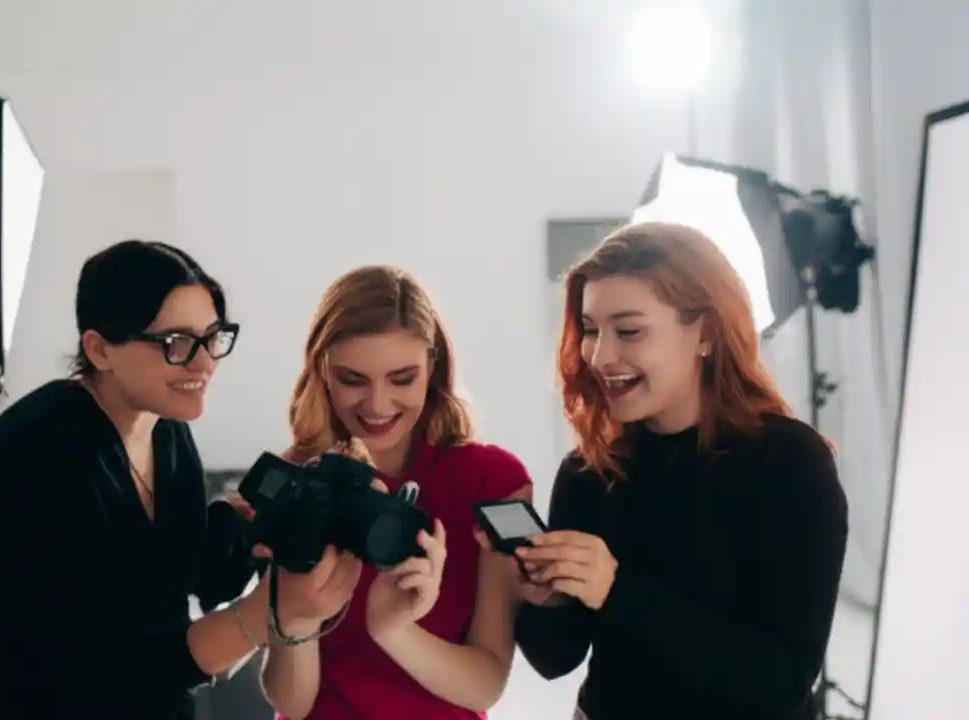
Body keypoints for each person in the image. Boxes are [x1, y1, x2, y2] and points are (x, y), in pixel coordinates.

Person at [0, 240, 361, 718]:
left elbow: (175, 576)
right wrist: (257, 619)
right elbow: (95, 672)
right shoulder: (40, 448)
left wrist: (255, 529)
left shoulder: (165, 430)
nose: (205, 362)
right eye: (177, 343)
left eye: (213, 337)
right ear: (100, 349)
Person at [507, 222, 848, 720]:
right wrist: (547, 600)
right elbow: (557, 659)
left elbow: (781, 681)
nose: (600, 356)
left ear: (705, 332)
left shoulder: (790, 463)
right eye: (591, 329)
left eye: (628, 331)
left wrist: (616, 592)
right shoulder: (590, 471)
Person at [259, 265, 533, 719]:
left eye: (402, 379)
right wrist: (300, 619)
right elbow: (290, 700)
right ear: (322, 371)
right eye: (352, 379)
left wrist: (394, 630)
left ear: (433, 366)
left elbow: (484, 684)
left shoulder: (491, 480)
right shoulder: (297, 479)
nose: (378, 405)